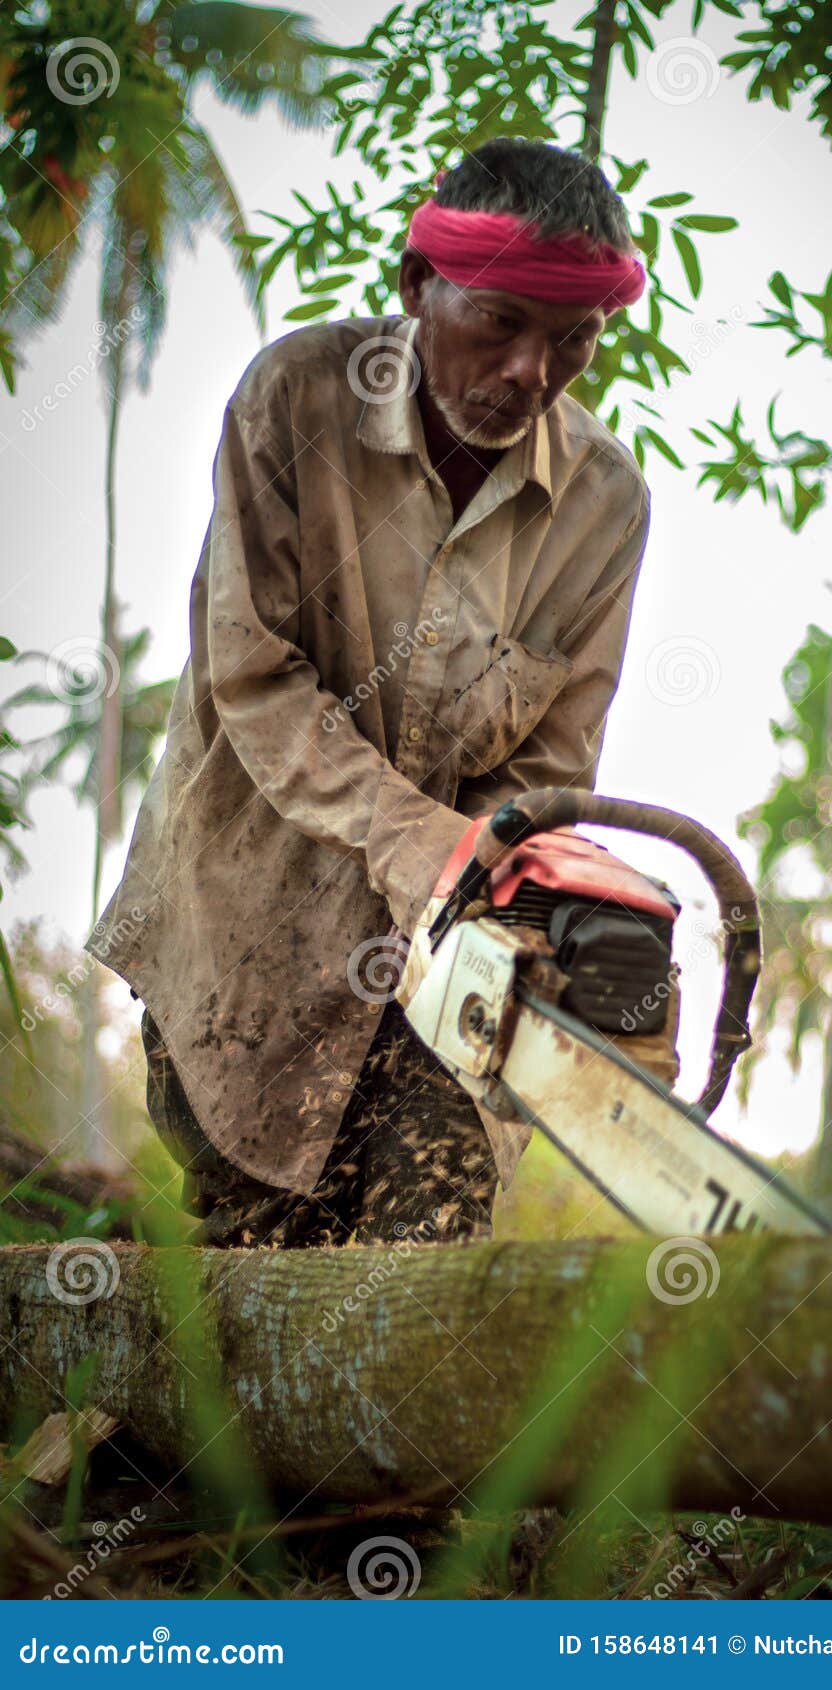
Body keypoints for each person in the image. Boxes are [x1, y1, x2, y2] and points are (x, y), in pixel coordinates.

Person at [87, 136, 652, 1249]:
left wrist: (497, 878)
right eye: (499, 322)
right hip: (242, 930)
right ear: (416, 289)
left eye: (572, 338)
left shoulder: (605, 506)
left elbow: (547, 769)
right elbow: (253, 680)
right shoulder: (296, 399)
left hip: (447, 974)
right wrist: (414, 840)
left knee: (425, 1275)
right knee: (258, 1271)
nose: (531, 373)